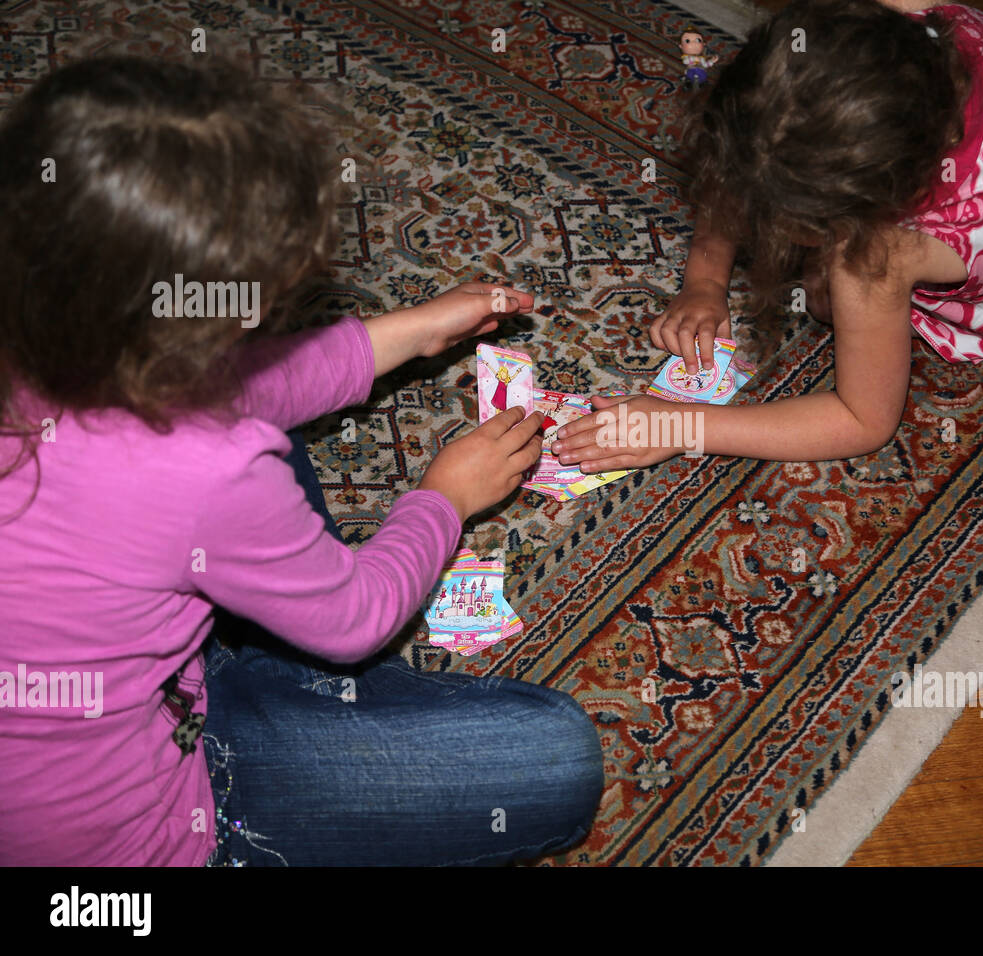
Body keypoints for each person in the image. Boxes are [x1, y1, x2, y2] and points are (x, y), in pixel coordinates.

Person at [0, 54, 603, 866]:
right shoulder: (208, 465)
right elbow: (355, 621)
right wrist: (443, 499)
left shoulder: (57, 323)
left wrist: (402, 334)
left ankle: (293, 684)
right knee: (557, 758)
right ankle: (295, 700)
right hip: (146, 835)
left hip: (92, 649)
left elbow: (218, 390)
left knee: (257, 461)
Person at [553, 0, 983, 470]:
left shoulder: (879, 255)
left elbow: (861, 419)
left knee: (827, 298)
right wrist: (704, 278)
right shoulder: (907, 23)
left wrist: (676, 425)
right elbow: (762, 139)